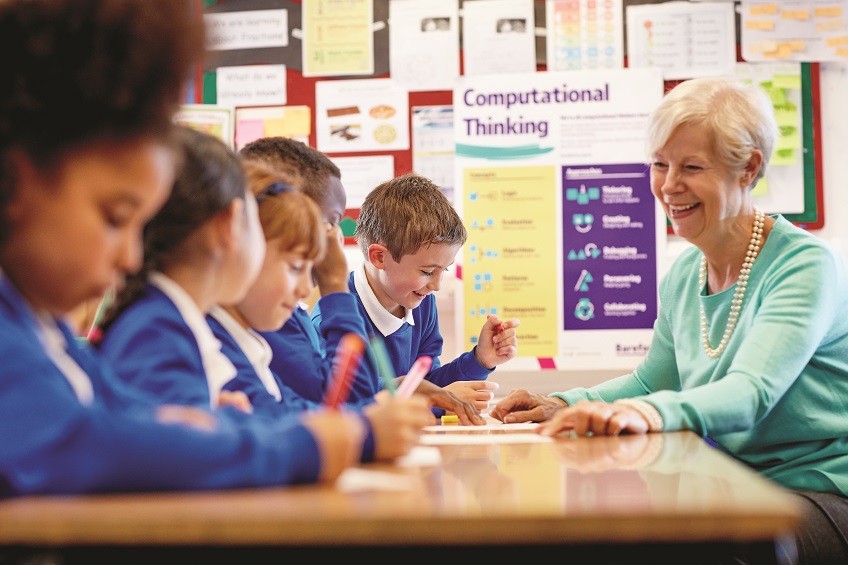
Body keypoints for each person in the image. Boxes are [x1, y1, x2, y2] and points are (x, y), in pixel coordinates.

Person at [0, 0, 370, 495]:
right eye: (115, 218)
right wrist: (297, 447)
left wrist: (213, 428)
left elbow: (128, 414)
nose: (130, 258)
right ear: (16, 183)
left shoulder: (41, 328)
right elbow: (85, 444)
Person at [489, 76, 848, 564]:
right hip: (734, 485)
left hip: (818, 490)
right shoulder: (685, 271)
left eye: (692, 167)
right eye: (660, 164)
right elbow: (654, 379)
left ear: (749, 169)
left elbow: (751, 392)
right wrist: (561, 402)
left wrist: (645, 414)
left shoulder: (804, 264)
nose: (669, 185)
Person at [95, 126, 433, 462]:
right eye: (294, 263)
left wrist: (233, 426)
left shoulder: (186, 325)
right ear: (233, 224)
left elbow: (278, 412)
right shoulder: (158, 329)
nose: (304, 286)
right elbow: (185, 455)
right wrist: (362, 433)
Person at [239, 138, 487, 422]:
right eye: (329, 223)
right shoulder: (289, 315)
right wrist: (332, 282)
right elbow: (348, 397)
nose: (332, 238)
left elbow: (316, 407)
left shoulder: (289, 314)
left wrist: (478, 361)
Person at [311, 172, 520, 406]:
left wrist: (480, 359)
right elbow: (346, 398)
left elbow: (428, 381)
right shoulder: (334, 316)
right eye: (427, 272)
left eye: (445, 270)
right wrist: (433, 400)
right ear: (380, 257)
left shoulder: (419, 300)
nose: (436, 286)